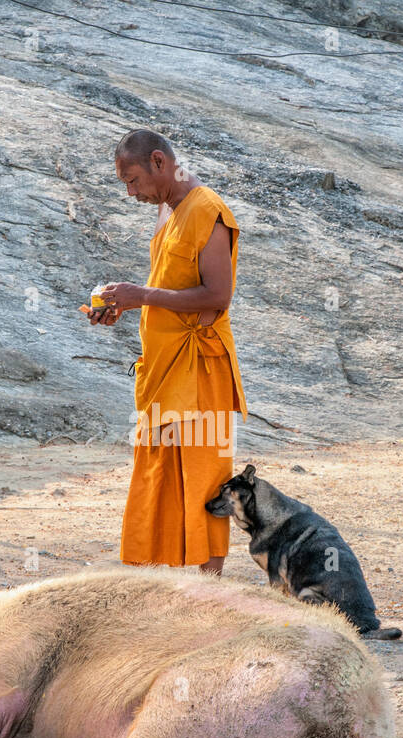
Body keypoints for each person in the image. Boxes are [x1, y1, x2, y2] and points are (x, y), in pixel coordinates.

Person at [89, 130, 247, 574]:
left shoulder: (208, 210)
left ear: (160, 161)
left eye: (133, 179)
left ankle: (210, 584)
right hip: (163, 367)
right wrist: (122, 303)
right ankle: (165, 576)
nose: (130, 191)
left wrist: (142, 295)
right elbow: (168, 286)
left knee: (202, 475)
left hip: (199, 367)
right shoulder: (168, 208)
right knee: (161, 472)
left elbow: (218, 295)